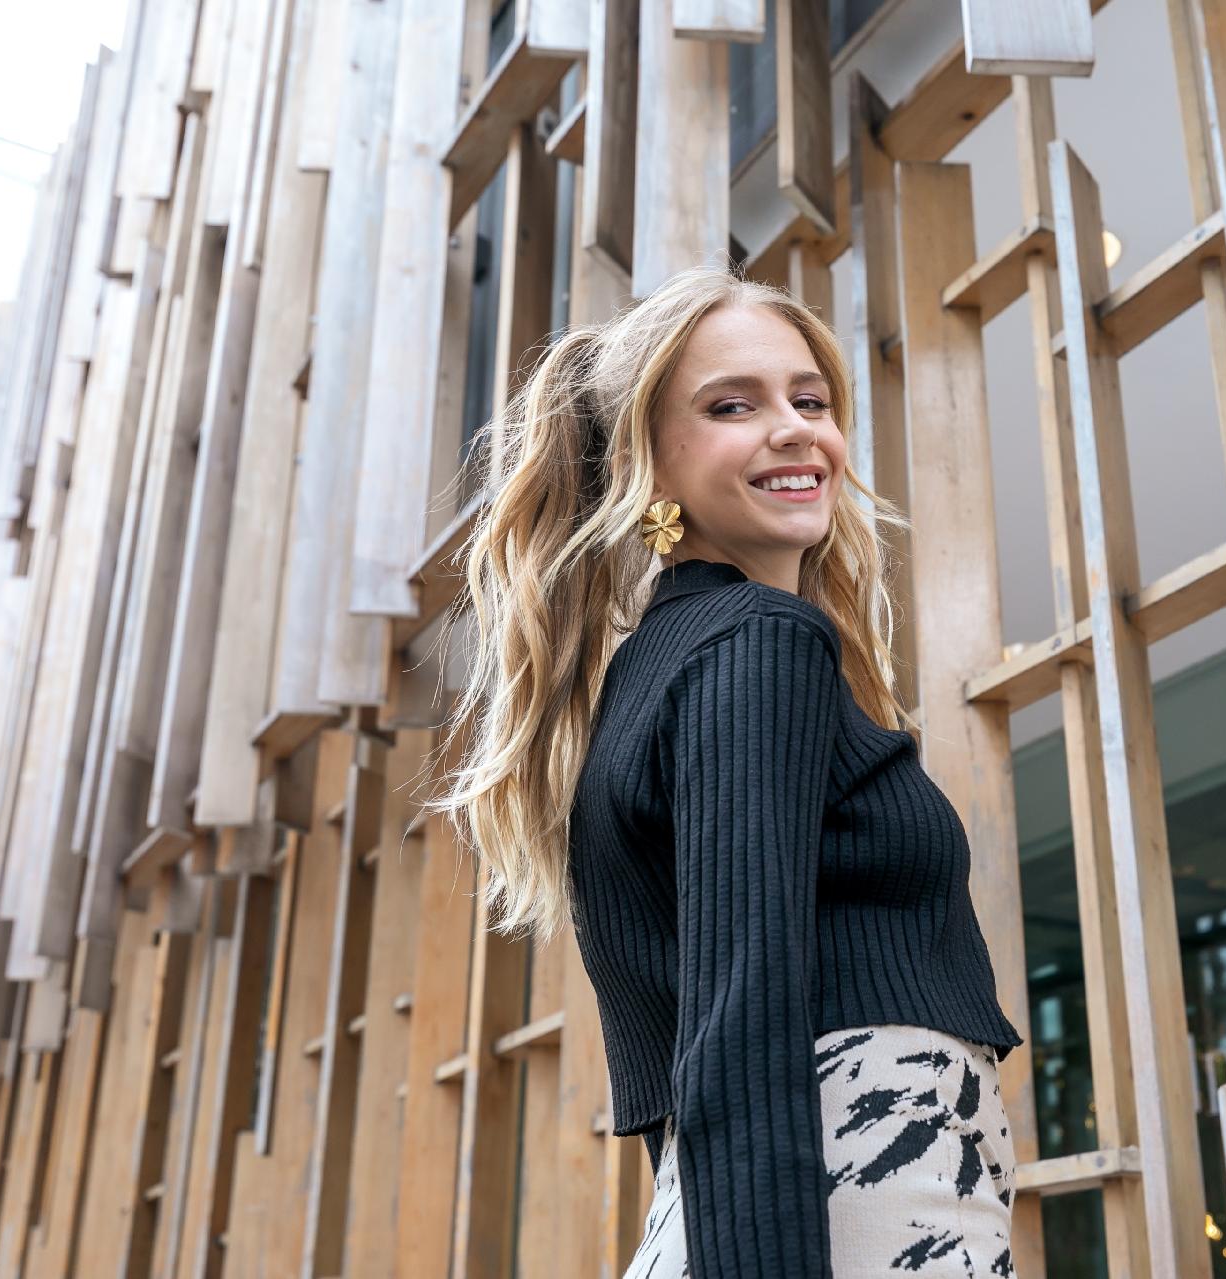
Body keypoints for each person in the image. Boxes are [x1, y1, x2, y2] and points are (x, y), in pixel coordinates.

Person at [433, 263, 1025, 1277]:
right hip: (876, 1171)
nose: (795, 429)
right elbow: (739, 1015)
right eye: (732, 405)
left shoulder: (662, 662)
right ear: (650, 464)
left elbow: (691, 1042)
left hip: (817, 1189)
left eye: (811, 399)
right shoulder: (759, 644)